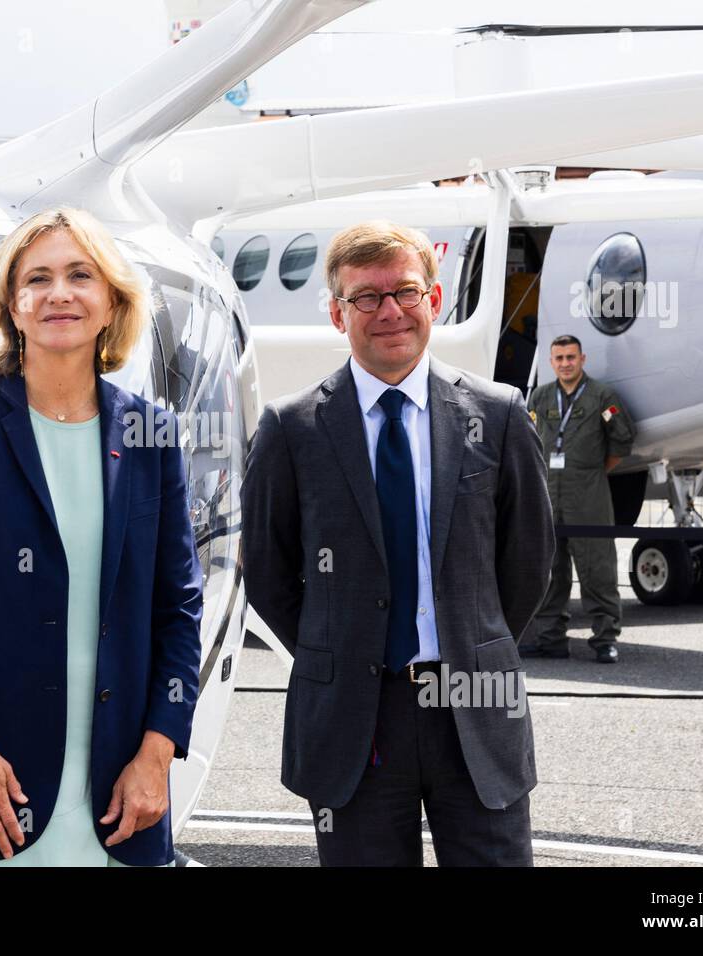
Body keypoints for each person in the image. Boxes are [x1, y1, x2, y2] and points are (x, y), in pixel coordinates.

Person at [242, 220, 555, 866]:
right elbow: (270, 577)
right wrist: (340, 648)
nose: (389, 311)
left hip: (474, 712)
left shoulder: (497, 418)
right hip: (355, 721)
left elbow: (527, 564)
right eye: (366, 297)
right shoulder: (290, 429)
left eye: (405, 293)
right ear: (337, 313)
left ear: (433, 303)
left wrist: (475, 637)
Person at [0, 206, 202, 866]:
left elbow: (178, 612)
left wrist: (158, 754)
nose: (58, 293)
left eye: (80, 275)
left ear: (111, 300)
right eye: (37, 278)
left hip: (118, 798)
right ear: (13, 302)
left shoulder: (151, 435)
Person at [520, 335, 636, 663]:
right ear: (551, 363)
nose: (565, 363)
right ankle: (551, 639)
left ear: (582, 359)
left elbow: (621, 442)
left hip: (588, 497)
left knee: (597, 568)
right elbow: (526, 441)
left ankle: (604, 639)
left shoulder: (602, 397)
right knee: (549, 571)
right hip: (548, 496)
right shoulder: (540, 398)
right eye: (559, 358)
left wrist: (591, 472)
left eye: (571, 357)